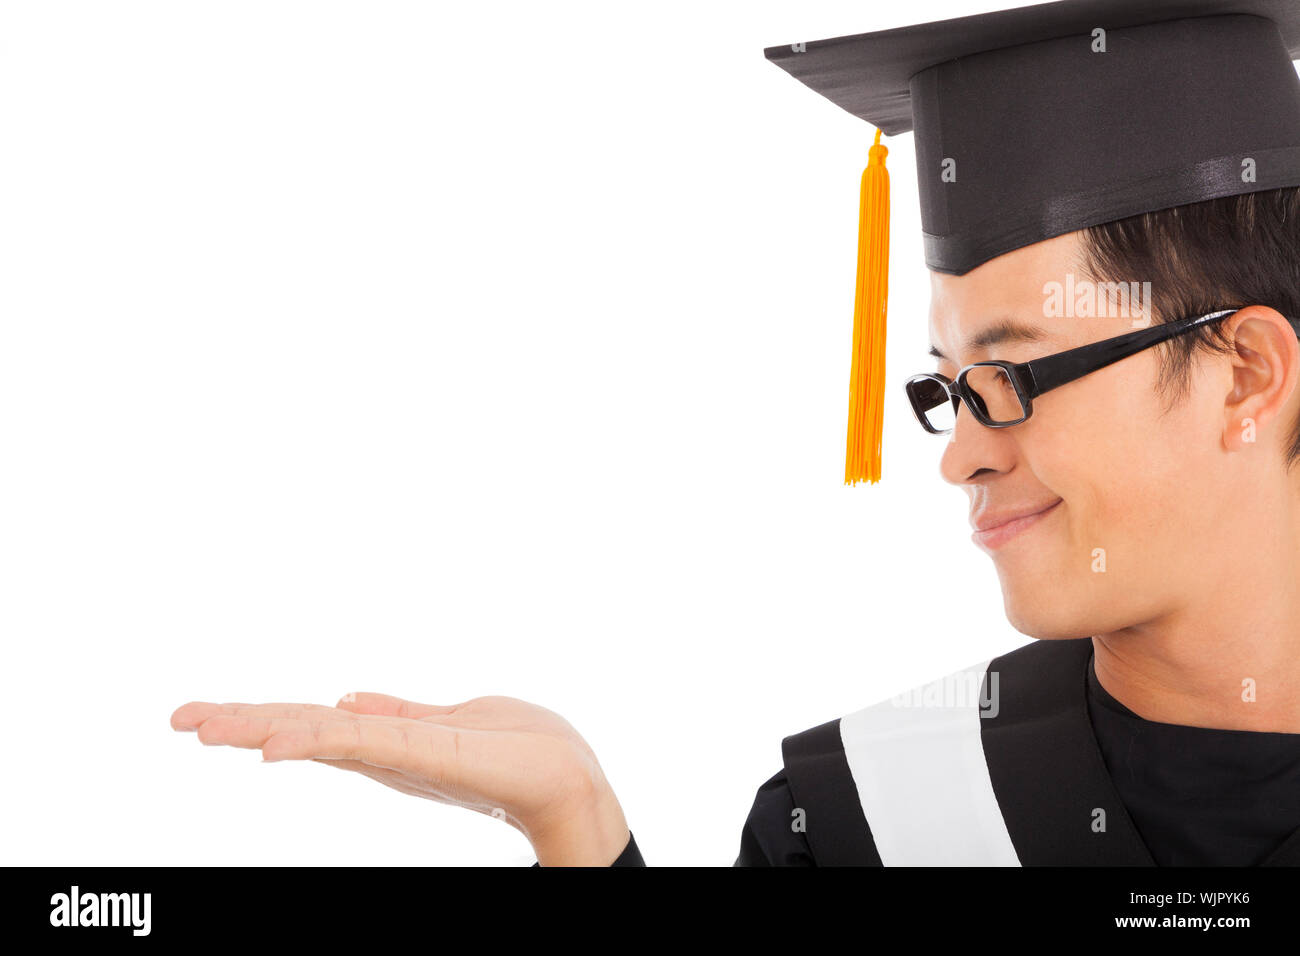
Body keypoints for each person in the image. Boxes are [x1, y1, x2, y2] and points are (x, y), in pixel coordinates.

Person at [171, 0, 1300, 865]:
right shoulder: (864, 818)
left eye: (1007, 375)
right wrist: (580, 824)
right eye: (947, 388)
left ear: (1244, 372)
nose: (959, 452)